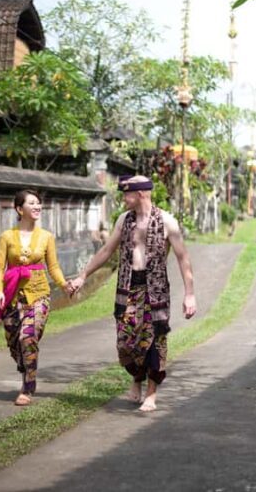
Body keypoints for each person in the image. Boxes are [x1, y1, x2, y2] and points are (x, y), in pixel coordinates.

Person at [70, 175, 196, 412]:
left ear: (140, 194)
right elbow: (106, 251)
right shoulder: (124, 220)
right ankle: (136, 377)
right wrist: (83, 275)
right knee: (126, 343)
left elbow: (183, 258)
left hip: (155, 291)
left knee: (155, 341)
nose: (123, 199)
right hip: (127, 288)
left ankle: (151, 393)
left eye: (126, 194)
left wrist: (189, 294)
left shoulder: (167, 221)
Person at [0, 189, 75, 406]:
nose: (37, 206)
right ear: (20, 209)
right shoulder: (7, 237)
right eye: (32, 203)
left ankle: (28, 386)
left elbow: (53, 267)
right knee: (14, 343)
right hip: (12, 296)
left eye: (39, 203)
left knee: (27, 337)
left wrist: (64, 285)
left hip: (39, 295)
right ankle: (26, 367)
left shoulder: (46, 237)